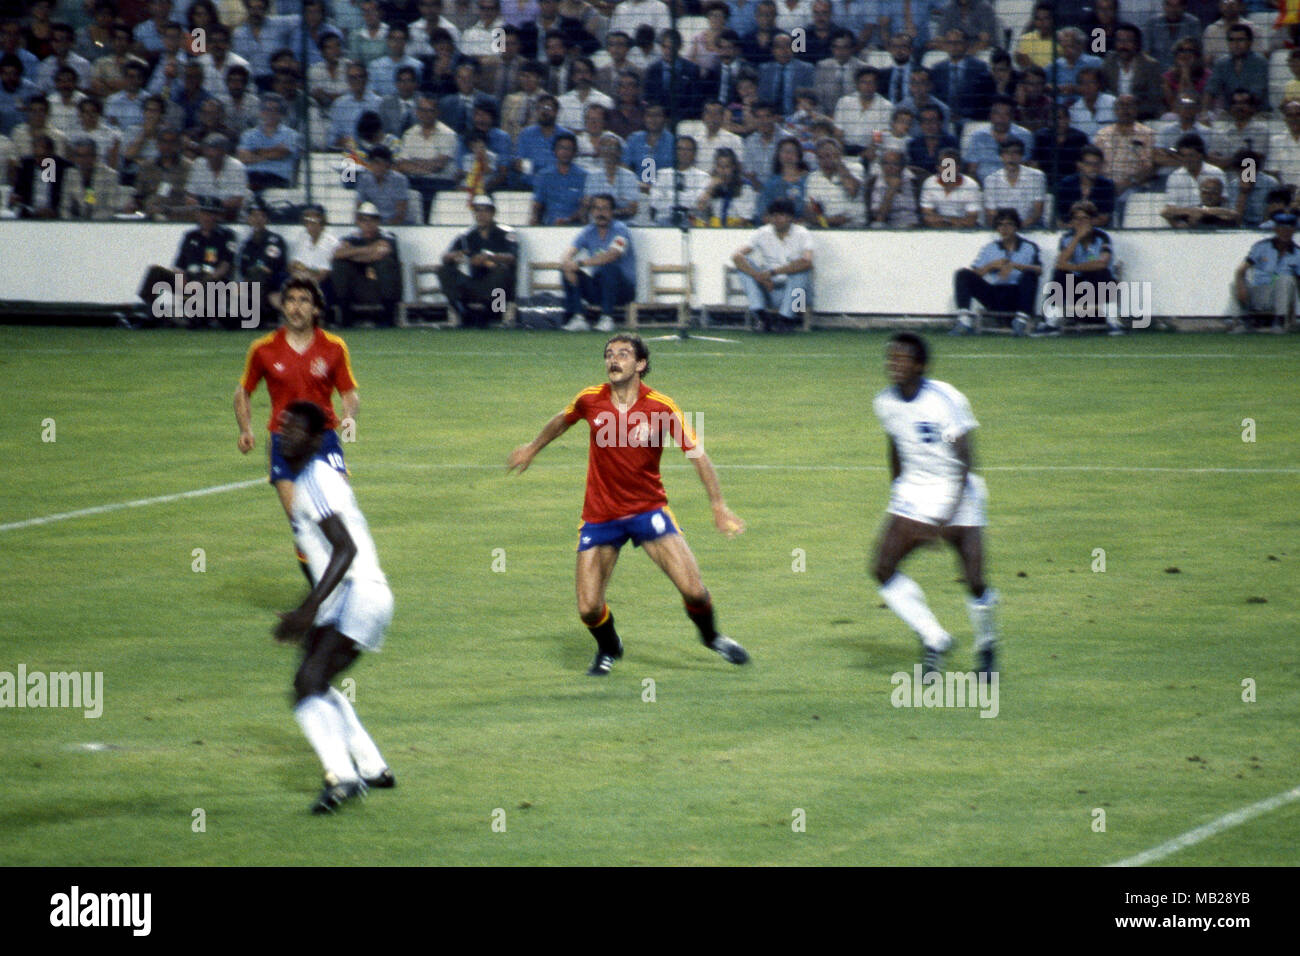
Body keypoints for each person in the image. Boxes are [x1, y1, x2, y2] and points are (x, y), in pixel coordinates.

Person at [506, 333, 750, 676]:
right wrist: (532, 446)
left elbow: (698, 456)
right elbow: (563, 420)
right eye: (609, 354)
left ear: (641, 364)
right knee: (589, 609)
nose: (613, 359)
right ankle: (609, 647)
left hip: (648, 511)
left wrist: (718, 506)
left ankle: (711, 637)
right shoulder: (590, 399)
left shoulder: (661, 407)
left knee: (694, 591)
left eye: (623, 354)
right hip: (601, 516)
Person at [272, 398, 393, 815]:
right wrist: (311, 612)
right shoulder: (310, 477)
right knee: (313, 679)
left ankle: (342, 778)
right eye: (283, 427)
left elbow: (344, 548)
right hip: (354, 595)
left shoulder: (315, 480)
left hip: (359, 592)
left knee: (308, 682)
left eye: (294, 430)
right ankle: (373, 767)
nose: (285, 434)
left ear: (316, 439)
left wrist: (308, 608)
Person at [871, 331, 998, 678]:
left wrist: (946, 517)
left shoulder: (945, 400)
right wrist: (898, 492)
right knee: (882, 567)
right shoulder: (885, 402)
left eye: (902, 359)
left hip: (958, 490)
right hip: (915, 491)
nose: (894, 365)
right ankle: (934, 637)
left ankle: (986, 648)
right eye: (890, 358)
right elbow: (895, 444)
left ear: (921, 365)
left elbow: (966, 460)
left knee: (974, 580)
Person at [235, 277, 360, 585]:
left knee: (333, 514)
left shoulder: (333, 347)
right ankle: (319, 590)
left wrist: (349, 417)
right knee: (302, 522)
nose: (296, 307)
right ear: (283, 305)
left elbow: (348, 393)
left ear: (315, 308)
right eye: (291, 300)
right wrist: (246, 429)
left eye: (304, 300)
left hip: (324, 440)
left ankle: (334, 586)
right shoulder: (263, 349)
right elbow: (242, 392)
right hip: (284, 444)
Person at [136, 195, 238, 326]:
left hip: (213, 283)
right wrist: (183, 283)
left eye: (211, 214)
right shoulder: (190, 236)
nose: (206, 217)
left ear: (218, 216)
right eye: (203, 213)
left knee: (203, 299)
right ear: (198, 214)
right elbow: (179, 265)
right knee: (155, 272)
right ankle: (150, 314)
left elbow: (225, 266)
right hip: (189, 280)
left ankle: (202, 315)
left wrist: (205, 281)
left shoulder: (227, 236)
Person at [1036, 199, 1125, 336]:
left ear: (1092, 221)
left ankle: (1113, 322)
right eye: (1077, 219)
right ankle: (1051, 323)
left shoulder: (1102, 237)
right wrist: (1077, 237)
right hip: (1076, 290)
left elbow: (1102, 263)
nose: (1081, 223)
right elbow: (1060, 263)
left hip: (1096, 289)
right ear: (1072, 222)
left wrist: (1075, 266)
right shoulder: (1067, 238)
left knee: (1102, 272)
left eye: (1085, 219)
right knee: (1060, 274)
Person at [951, 207, 1042, 335]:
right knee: (963, 274)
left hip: (1018, 294)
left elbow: (1039, 270)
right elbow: (975, 275)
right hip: (997, 293)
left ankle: (1021, 320)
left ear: (1016, 226)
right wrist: (990, 266)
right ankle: (964, 320)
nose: (1004, 229)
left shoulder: (1029, 247)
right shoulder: (990, 248)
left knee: (1030, 274)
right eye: (1000, 225)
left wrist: (1015, 265)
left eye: (1008, 224)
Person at [436, 193, 519, 326]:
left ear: (492, 212)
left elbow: (512, 258)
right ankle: (462, 313)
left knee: (502, 272)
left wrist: (489, 257)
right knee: (443, 271)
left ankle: (495, 314)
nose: (480, 215)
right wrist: (454, 256)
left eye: (484, 210)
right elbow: (446, 257)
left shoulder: (507, 232)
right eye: (477, 211)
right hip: (475, 282)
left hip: (496, 284)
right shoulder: (466, 235)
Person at [731, 196, 814, 330]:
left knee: (802, 270)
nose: (776, 219)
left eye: (781, 215)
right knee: (743, 265)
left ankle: (786, 319)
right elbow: (736, 256)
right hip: (770, 290)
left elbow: (807, 262)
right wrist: (760, 277)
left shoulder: (802, 233)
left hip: (798, 299)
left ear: (790, 217)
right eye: (773, 215)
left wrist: (772, 273)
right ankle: (761, 315)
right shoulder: (762, 232)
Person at [560, 193, 635, 332]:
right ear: (592, 211)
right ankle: (578, 318)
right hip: (598, 289)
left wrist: (580, 263)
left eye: (605, 209)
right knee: (566, 269)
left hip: (623, 290)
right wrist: (567, 264)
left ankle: (607, 318)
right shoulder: (588, 231)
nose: (601, 213)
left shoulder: (621, 229)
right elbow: (569, 253)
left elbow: (612, 255)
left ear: (612, 212)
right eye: (597, 209)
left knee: (609, 267)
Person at [331, 202, 402, 326]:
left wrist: (352, 254)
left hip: (380, 288)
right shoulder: (351, 237)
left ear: (378, 221)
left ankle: (388, 317)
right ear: (358, 222)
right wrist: (368, 250)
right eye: (364, 220)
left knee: (385, 263)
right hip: (358, 287)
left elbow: (380, 253)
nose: (368, 224)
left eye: (372, 220)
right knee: (340, 264)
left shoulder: (388, 236)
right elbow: (337, 254)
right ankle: (345, 317)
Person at [1232, 210, 1300, 332]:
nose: (1285, 232)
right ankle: (1244, 321)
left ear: (1293, 230)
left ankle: (1279, 323)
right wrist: (1240, 284)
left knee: (1285, 279)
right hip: (1260, 290)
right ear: (1275, 229)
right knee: (1235, 283)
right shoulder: (1261, 247)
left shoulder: (1298, 253)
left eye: (1289, 228)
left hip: (1281, 297)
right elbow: (1241, 270)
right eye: (1281, 228)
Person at [239, 196, 289, 319]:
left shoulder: (275, 240)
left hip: (271, 284)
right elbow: (243, 270)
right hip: (251, 286)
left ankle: (258, 313)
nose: (257, 220)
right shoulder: (247, 244)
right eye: (254, 216)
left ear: (266, 219)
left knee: (257, 272)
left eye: (261, 216)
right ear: (249, 219)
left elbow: (270, 268)